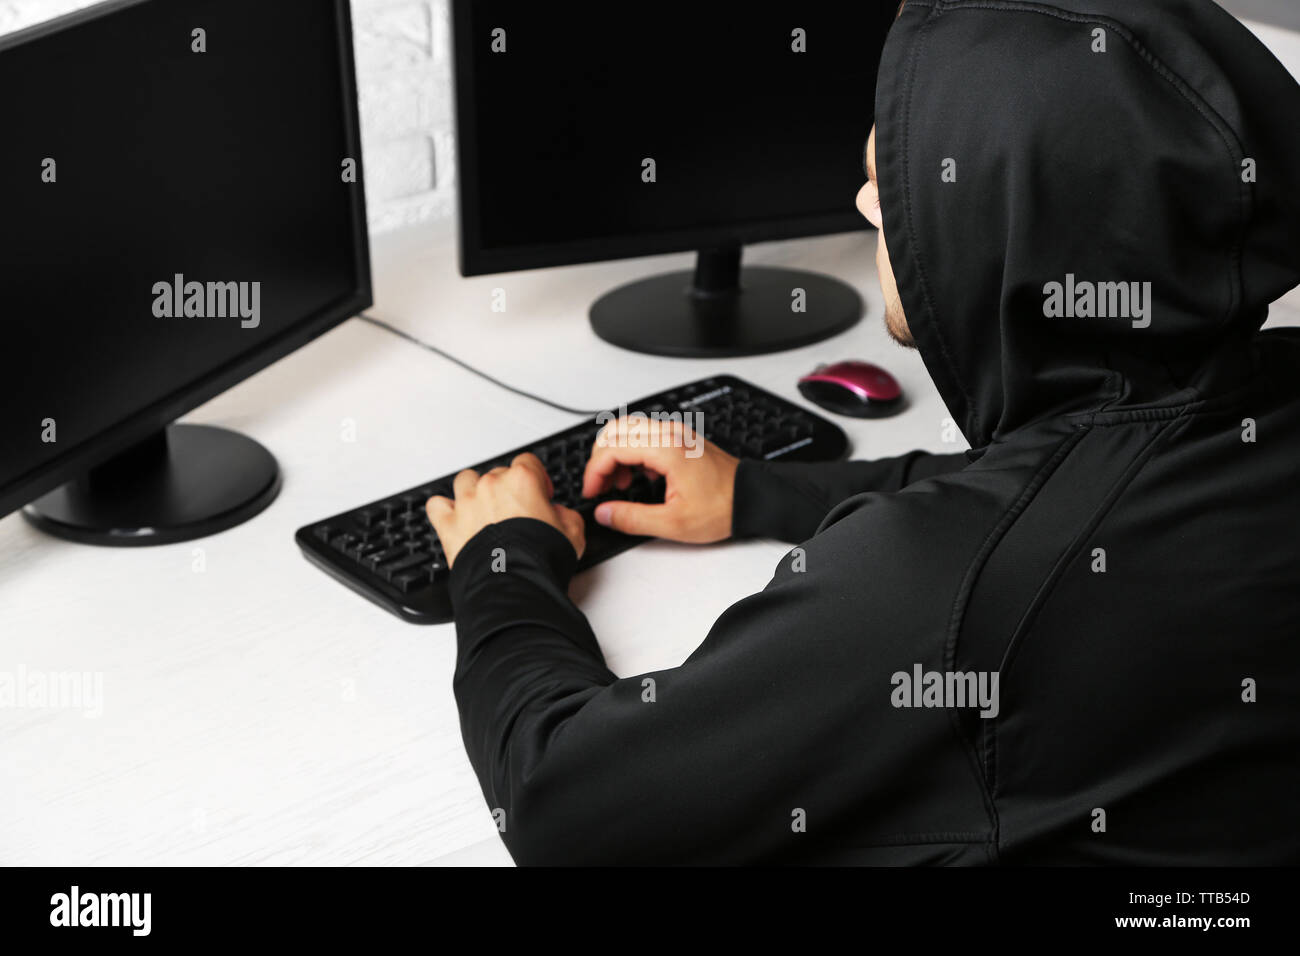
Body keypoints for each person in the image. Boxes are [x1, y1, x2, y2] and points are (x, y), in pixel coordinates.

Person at [427, 0, 1300, 865]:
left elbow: (563, 810)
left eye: (899, 187)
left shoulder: (943, 594)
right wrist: (757, 493)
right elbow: (1044, 489)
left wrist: (501, 563)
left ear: (998, 219)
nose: (865, 204)